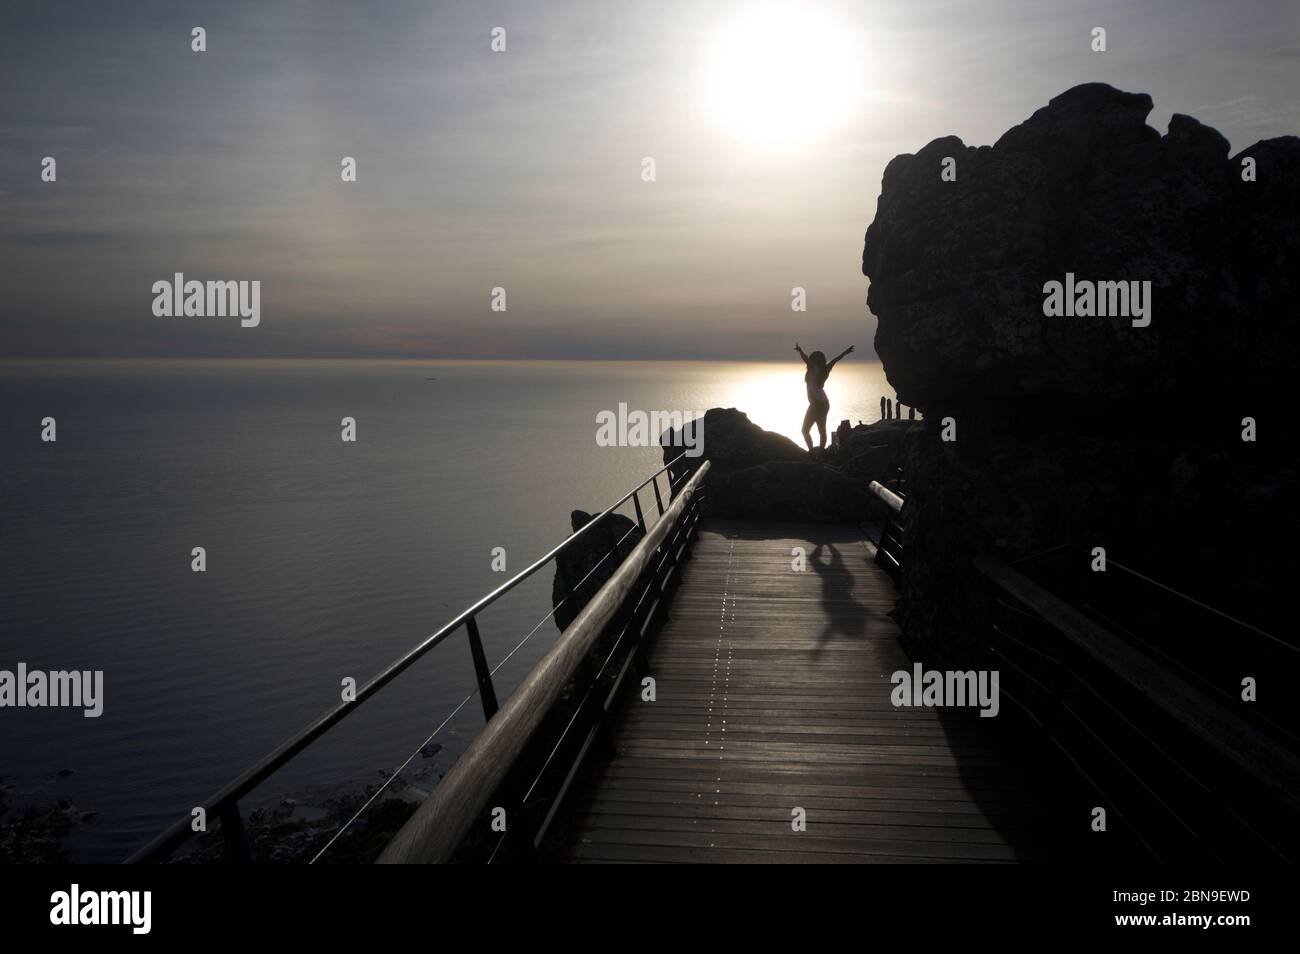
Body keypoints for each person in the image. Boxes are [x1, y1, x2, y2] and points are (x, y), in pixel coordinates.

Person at [794, 342, 854, 453]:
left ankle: (814, 452)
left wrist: (800, 351)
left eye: (813, 358)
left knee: (807, 430)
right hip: (822, 403)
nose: (811, 360)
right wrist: (800, 351)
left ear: (815, 360)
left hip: (818, 403)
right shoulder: (817, 369)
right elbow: (834, 360)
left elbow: (833, 360)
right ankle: (818, 452)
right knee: (819, 430)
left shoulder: (817, 369)